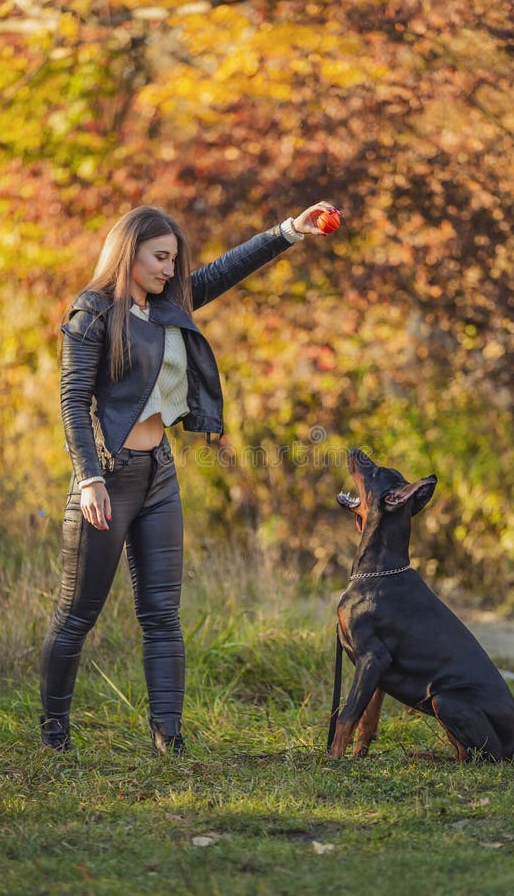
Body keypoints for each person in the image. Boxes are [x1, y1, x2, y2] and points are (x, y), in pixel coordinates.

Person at [39, 200, 337, 754]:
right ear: (128, 253)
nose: (170, 271)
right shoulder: (92, 312)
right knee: (77, 614)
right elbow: (73, 403)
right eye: (160, 258)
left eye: (174, 261)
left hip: (159, 476)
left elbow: (226, 269)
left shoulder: (168, 307)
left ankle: (167, 737)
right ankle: (55, 732)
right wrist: (88, 480)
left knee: (162, 614)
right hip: (107, 480)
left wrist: (290, 231)